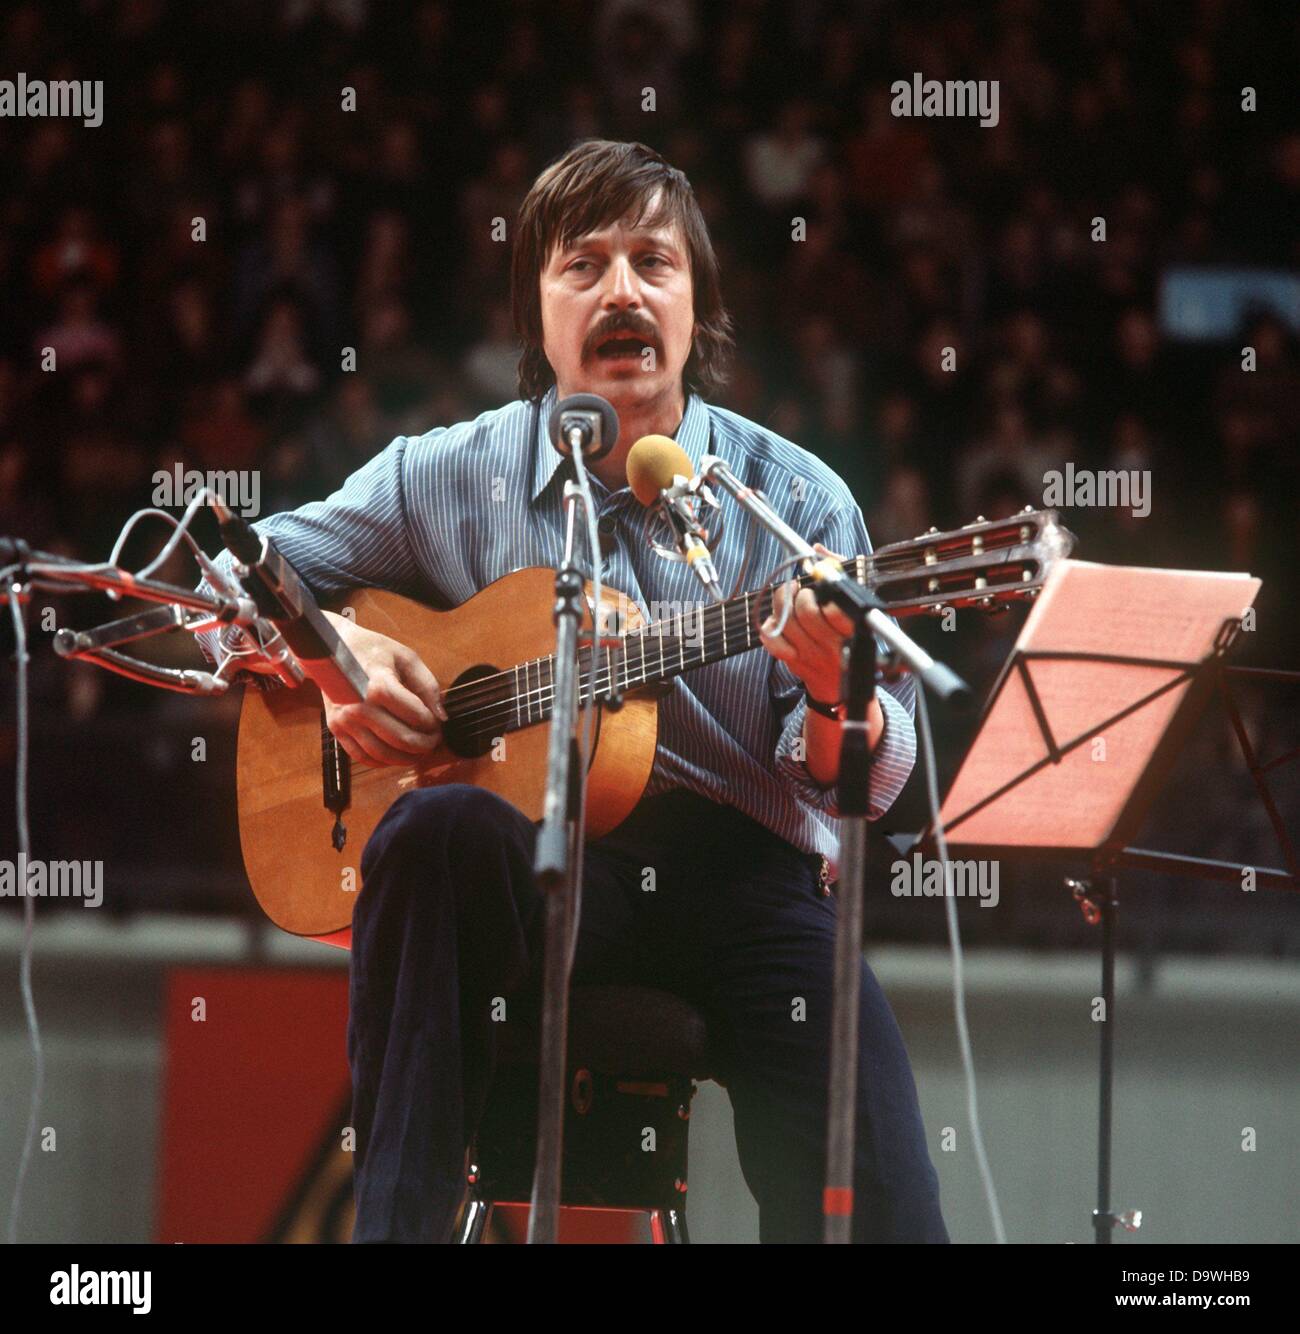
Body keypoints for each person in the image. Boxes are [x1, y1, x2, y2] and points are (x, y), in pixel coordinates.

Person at [199, 139, 948, 1244]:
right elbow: (228, 576)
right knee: (433, 821)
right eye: (582, 264)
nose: (621, 290)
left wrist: (845, 699)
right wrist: (336, 656)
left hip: (745, 884)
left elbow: (862, 785)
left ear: (698, 308)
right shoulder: (442, 472)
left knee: (868, 1158)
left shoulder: (797, 500)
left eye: (654, 262)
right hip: (534, 869)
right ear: (537, 315)